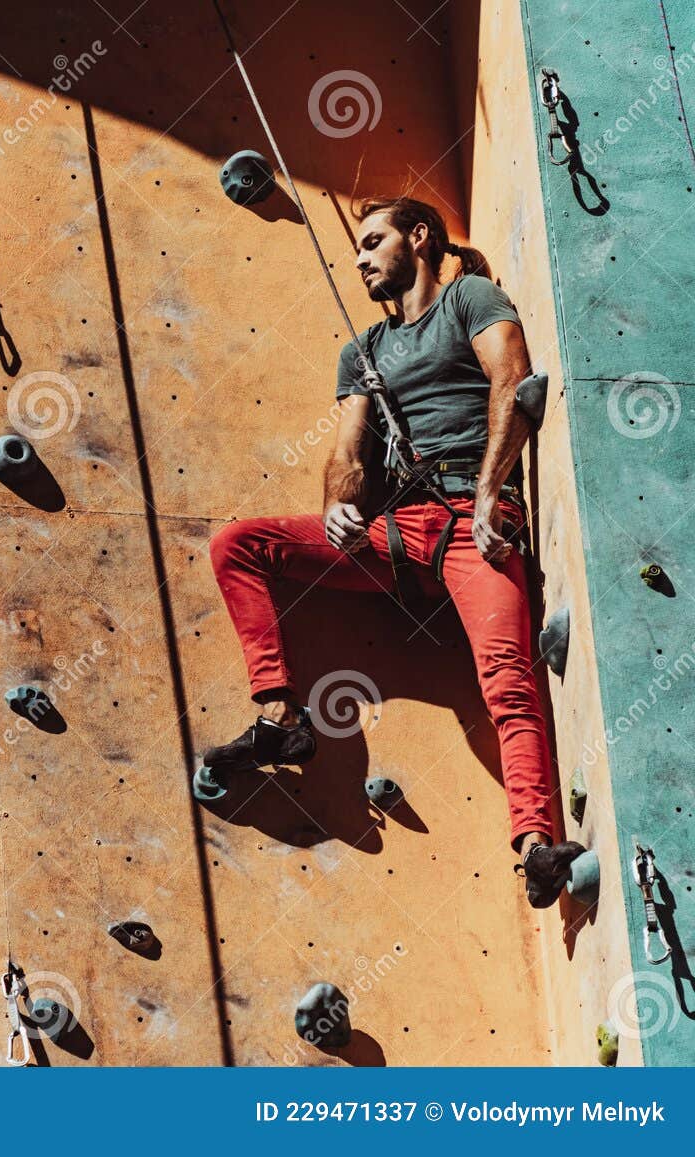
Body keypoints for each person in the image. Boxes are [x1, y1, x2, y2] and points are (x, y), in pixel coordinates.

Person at [200, 195, 583, 908]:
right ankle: (281, 717)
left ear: (421, 236)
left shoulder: (470, 298)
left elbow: (511, 383)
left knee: (508, 679)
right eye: (357, 247)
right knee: (239, 545)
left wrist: (489, 495)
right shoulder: (364, 351)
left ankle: (535, 847)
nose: (360, 258)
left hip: (475, 524)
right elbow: (348, 451)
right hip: (397, 534)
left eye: (373, 240)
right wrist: (336, 510)